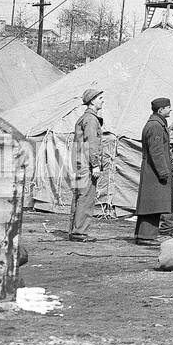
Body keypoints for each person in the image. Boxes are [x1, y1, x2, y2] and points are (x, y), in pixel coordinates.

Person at [134, 98, 173, 245]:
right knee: (153, 203)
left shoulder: (155, 124)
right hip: (154, 170)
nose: (170, 110)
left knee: (150, 203)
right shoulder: (156, 126)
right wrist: (163, 172)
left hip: (151, 169)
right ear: (161, 110)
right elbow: (156, 151)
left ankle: (142, 234)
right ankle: (147, 236)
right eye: (168, 107)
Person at [69, 88, 105, 241]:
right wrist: (95, 164)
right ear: (92, 101)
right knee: (86, 196)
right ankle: (80, 232)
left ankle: (75, 230)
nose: (102, 100)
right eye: (100, 98)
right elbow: (92, 143)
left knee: (79, 196)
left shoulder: (85, 118)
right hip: (86, 164)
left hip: (80, 162)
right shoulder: (91, 120)